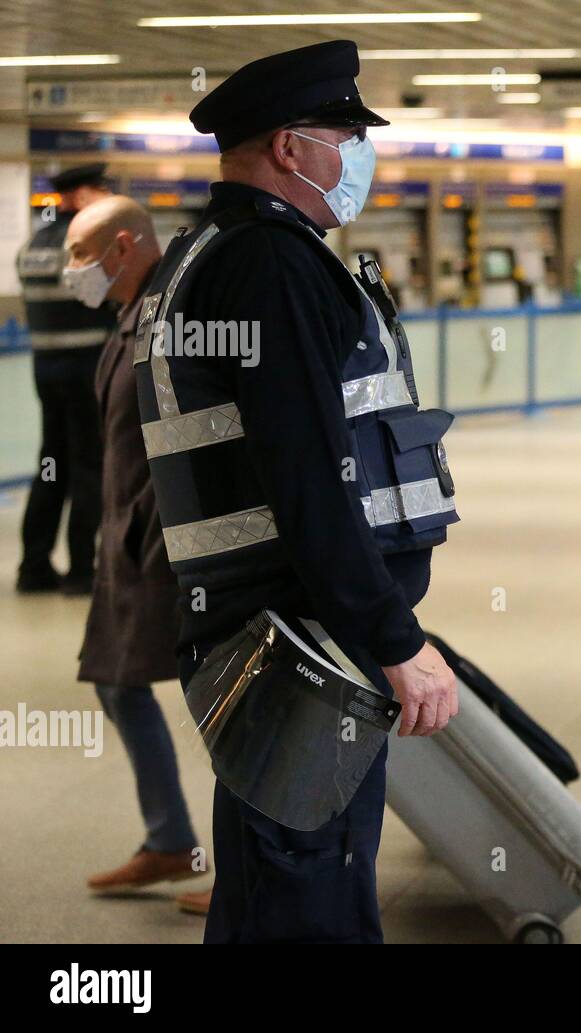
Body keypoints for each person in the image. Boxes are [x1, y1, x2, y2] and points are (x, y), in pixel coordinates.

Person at [137, 39, 461, 943]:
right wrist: (393, 639)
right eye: (346, 134)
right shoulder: (272, 265)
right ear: (290, 148)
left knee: (266, 891)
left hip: (261, 631)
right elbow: (313, 481)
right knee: (312, 900)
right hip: (306, 641)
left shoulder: (199, 257)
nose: (359, 153)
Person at [65, 196, 207, 911]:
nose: (72, 272)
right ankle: (170, 840)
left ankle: (252, 865)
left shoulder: (176, 313)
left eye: (82, 255)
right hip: (126, 539)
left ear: (125, 245)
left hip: (167, 545)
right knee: (118, 680)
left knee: (216, 695)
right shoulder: (130, 316)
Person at [14, 163, 115, 594]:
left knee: (51, 465)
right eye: (99, 192)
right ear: (80, 196)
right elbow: (101, 298)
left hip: (46, 369)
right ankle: (80, 571)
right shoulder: (84, 241)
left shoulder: (34, 244)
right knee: (89, 466)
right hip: (85, 370)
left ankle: (33, 568)